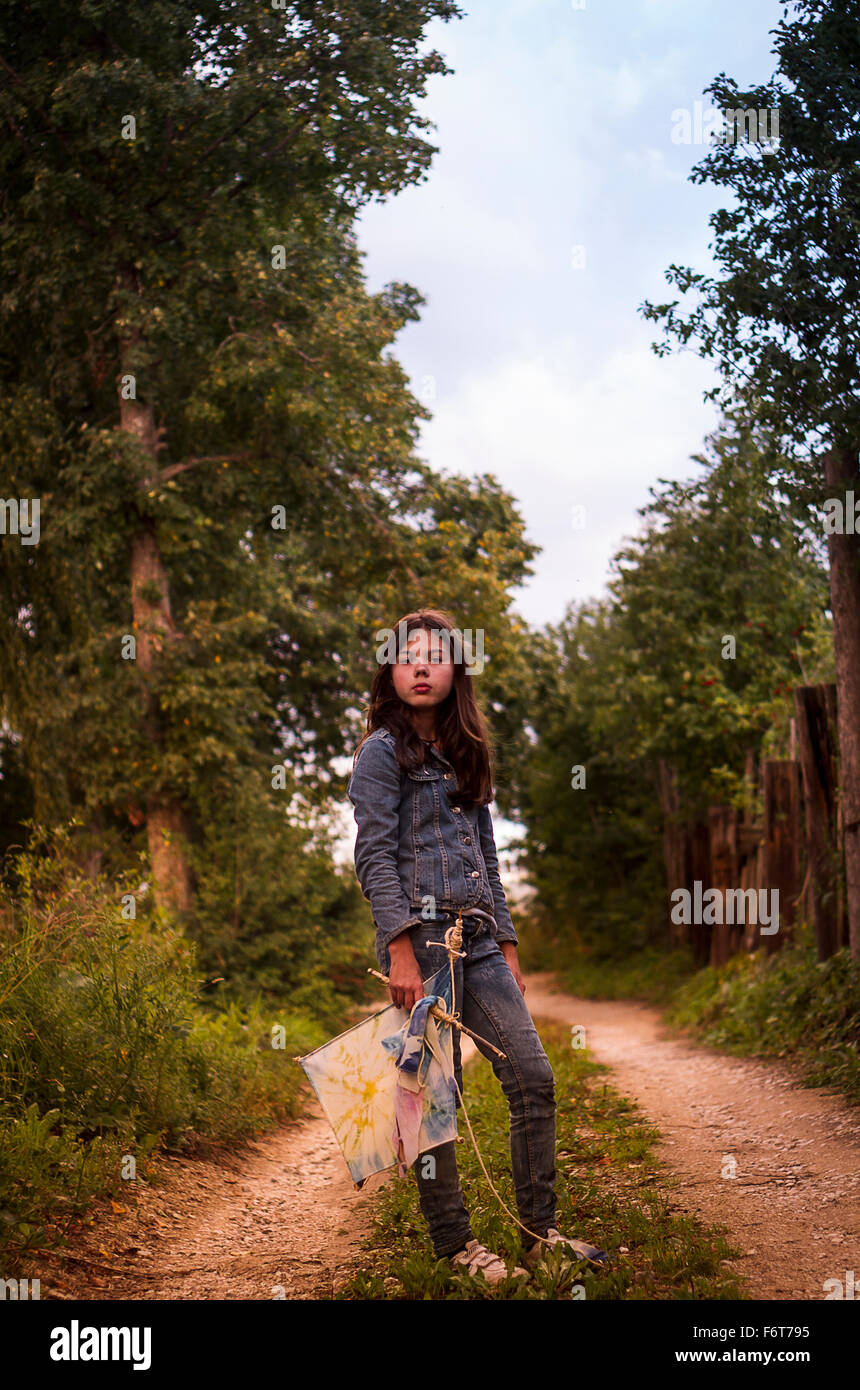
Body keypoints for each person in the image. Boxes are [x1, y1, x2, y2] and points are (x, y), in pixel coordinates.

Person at [346, 606, 610, 1286]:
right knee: (433, 1100)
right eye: (409, 656)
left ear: (456, 668)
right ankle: (456, 1249)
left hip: (481, 942)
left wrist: (510, 943)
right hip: (422, 943)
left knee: (533, 1076)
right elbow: (374, 857)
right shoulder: (381, 754)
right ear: (392, 672)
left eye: (437, 654)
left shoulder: (468, 750)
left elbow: (487, 856)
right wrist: (400, 952)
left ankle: (538, 1234)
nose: (423, 666)